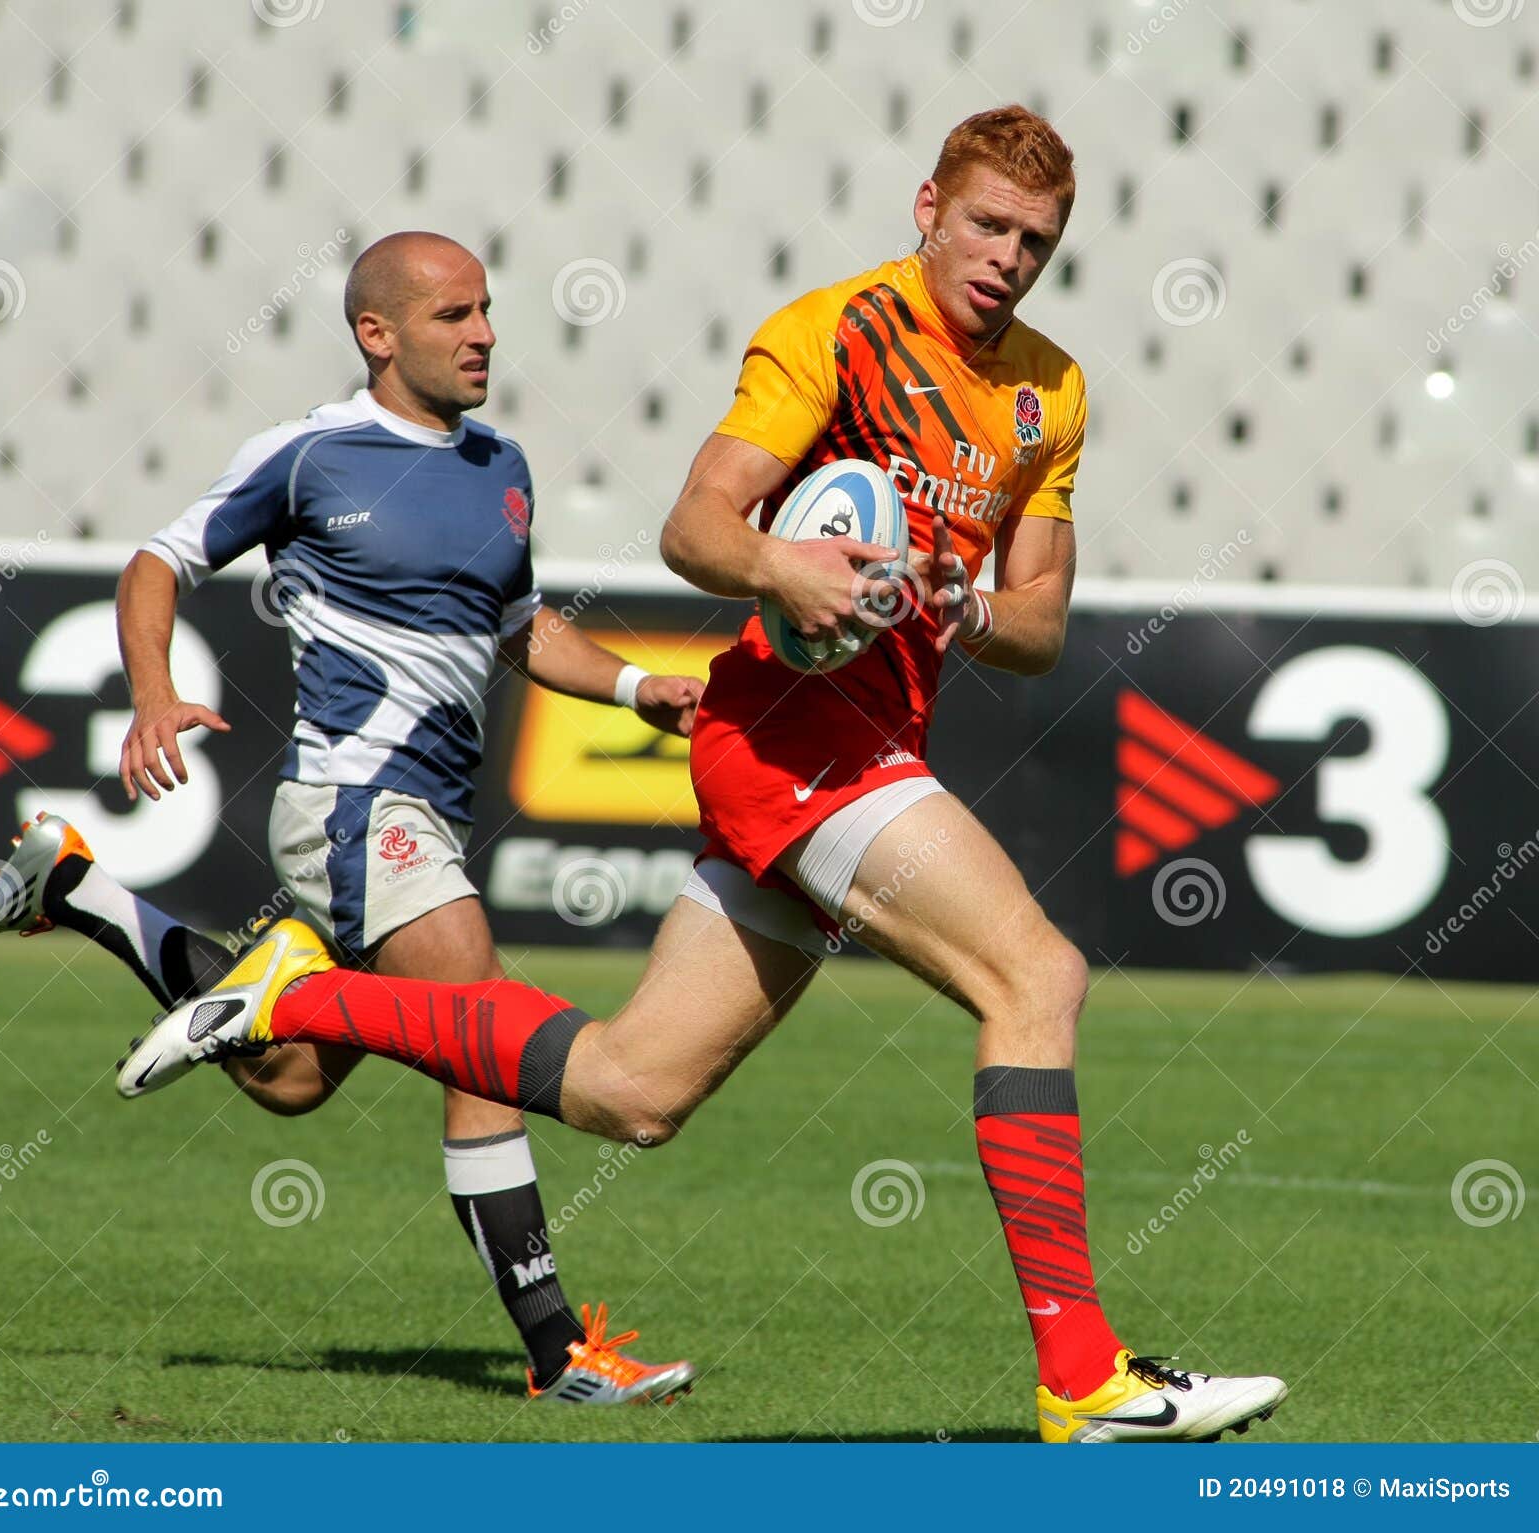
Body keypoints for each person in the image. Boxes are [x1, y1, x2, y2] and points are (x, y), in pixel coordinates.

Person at [113, 108, 1286, 1442]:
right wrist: (791, 568)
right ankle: (1086, 1378)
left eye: (1038, 241)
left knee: (632, 1092)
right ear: (927, 207)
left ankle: (303, 997)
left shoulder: (1051, 395)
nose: (1010, 258)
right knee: (1039, 975)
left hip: (873, 741)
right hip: (788, 733)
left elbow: (1038, 629)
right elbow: (695, 528)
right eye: (988, 226)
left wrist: (958, 597)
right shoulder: (833, 334)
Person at [0, 231, 696, 1406]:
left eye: (487, 310)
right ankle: (560, 1355)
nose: (484, 333)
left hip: (422, 819)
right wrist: (151, 693)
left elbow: (521, 630)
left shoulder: (502, 463)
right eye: (453, 314)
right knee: (481, 1025)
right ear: (377, 334)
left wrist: (638, 689)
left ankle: (81, 893)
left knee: (288, 1078)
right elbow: (156, 561)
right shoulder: (309, 456)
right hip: (357, 804)